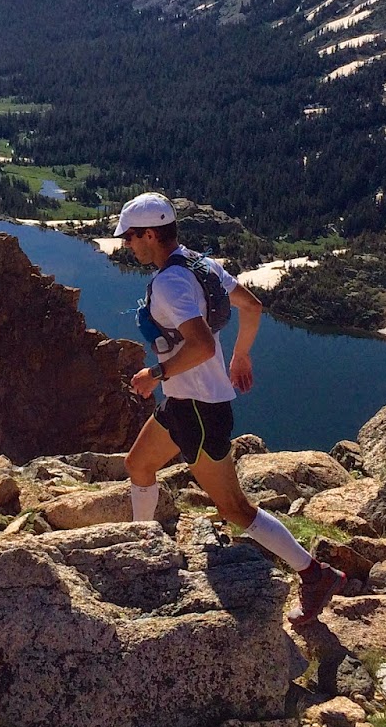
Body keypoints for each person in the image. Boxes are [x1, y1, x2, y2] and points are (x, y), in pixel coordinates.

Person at [116, 191, 345, 625]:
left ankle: (315, 574)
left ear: (149, 234)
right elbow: (252, 307)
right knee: (138, 465)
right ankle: (143, 544)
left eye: (129, 237)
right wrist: (241, 355)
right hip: (186, 403)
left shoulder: (169, 282)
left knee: (234, 509)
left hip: (200, 410)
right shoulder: (199, 264)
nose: (126, 245)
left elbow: (201, 345)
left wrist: (156, 375)